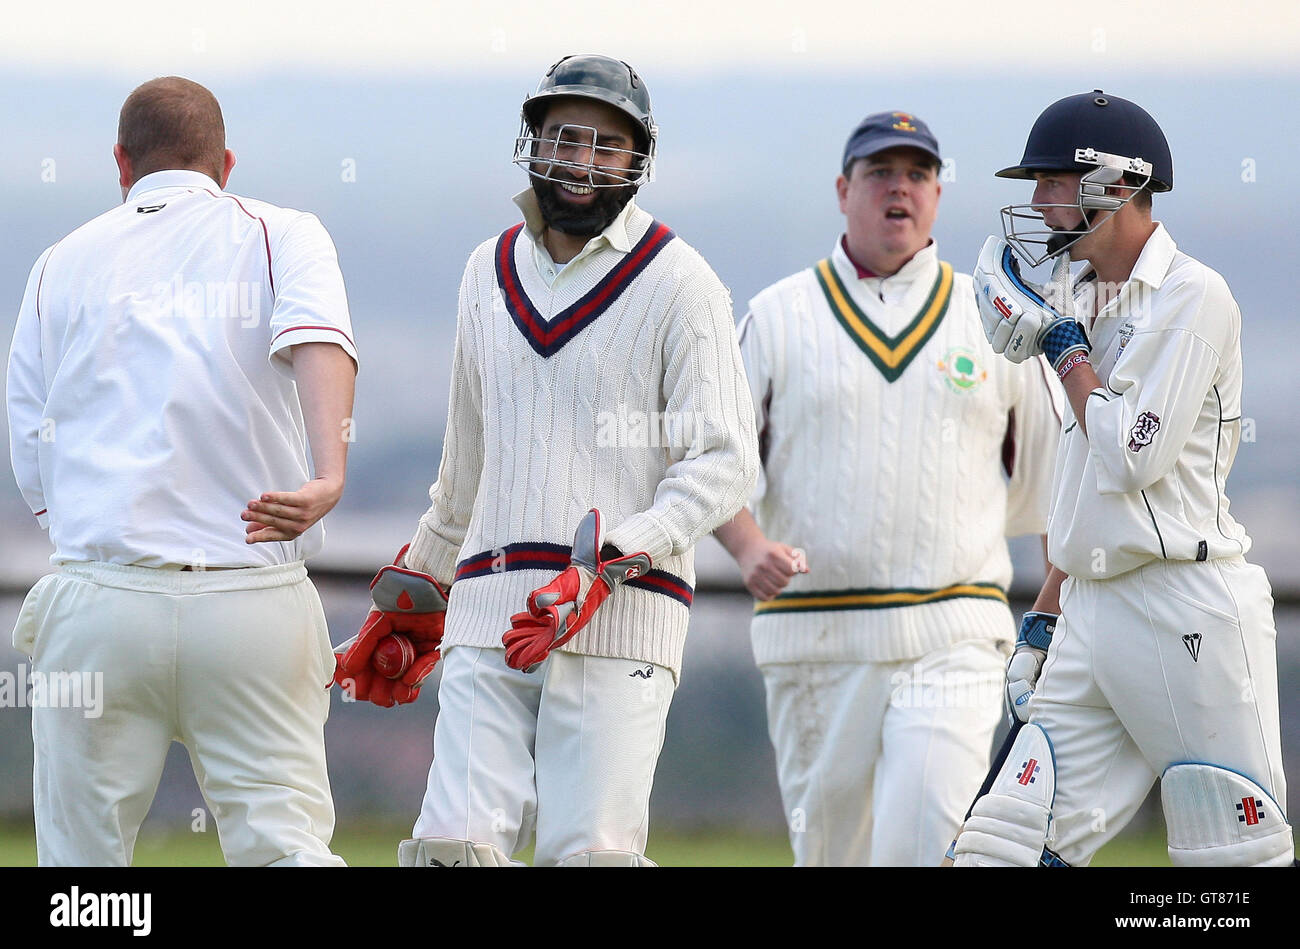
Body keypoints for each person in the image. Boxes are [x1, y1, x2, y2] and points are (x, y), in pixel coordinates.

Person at [333, 54, 758, 867]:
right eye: (566, 138)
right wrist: (417, 589)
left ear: (637, 159)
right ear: (534, 144)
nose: (583, 161)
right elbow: (461, 479)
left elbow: (723, 461)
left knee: (589, 855)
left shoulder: (682, 283)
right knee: (448, 850)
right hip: (488, 615)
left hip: (622, 622)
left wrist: (610, 561)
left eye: (606, 145)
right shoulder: (483, 274)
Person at [6, 76, 357, 866]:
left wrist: (96, 540)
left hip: (98, 602)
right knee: (283, 850)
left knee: (82, 871)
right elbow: (319, 337)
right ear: (225, 163)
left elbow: (30, 435)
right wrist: (329, 474)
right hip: (250, 598)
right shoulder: (284, 231)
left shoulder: (58, 262)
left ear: (120, 163)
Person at [713, 111, 1063, 866]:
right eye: (879, 173)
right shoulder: (776, 318)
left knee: (926, 844)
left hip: (956, 633)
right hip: (816, 638)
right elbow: (713, 462)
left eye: (917, 174)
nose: (898, 189)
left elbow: (1053, 484)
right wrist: (746, 547)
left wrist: (1056, 615)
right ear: (844, 190)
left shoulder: (998, 322)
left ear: (938, 195)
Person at [955, 91, 1293, 866]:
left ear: (1112, 184)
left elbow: (1130, 455)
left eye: (1049, 182)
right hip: (1091, 608)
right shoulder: (1077, 296)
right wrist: (1046, 612)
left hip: (1187, 611)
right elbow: (1084, 485)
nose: (1036, 203)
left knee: (1233, 857)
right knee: (1000, 847)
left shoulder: (1191, 298)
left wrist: (1064, 350)